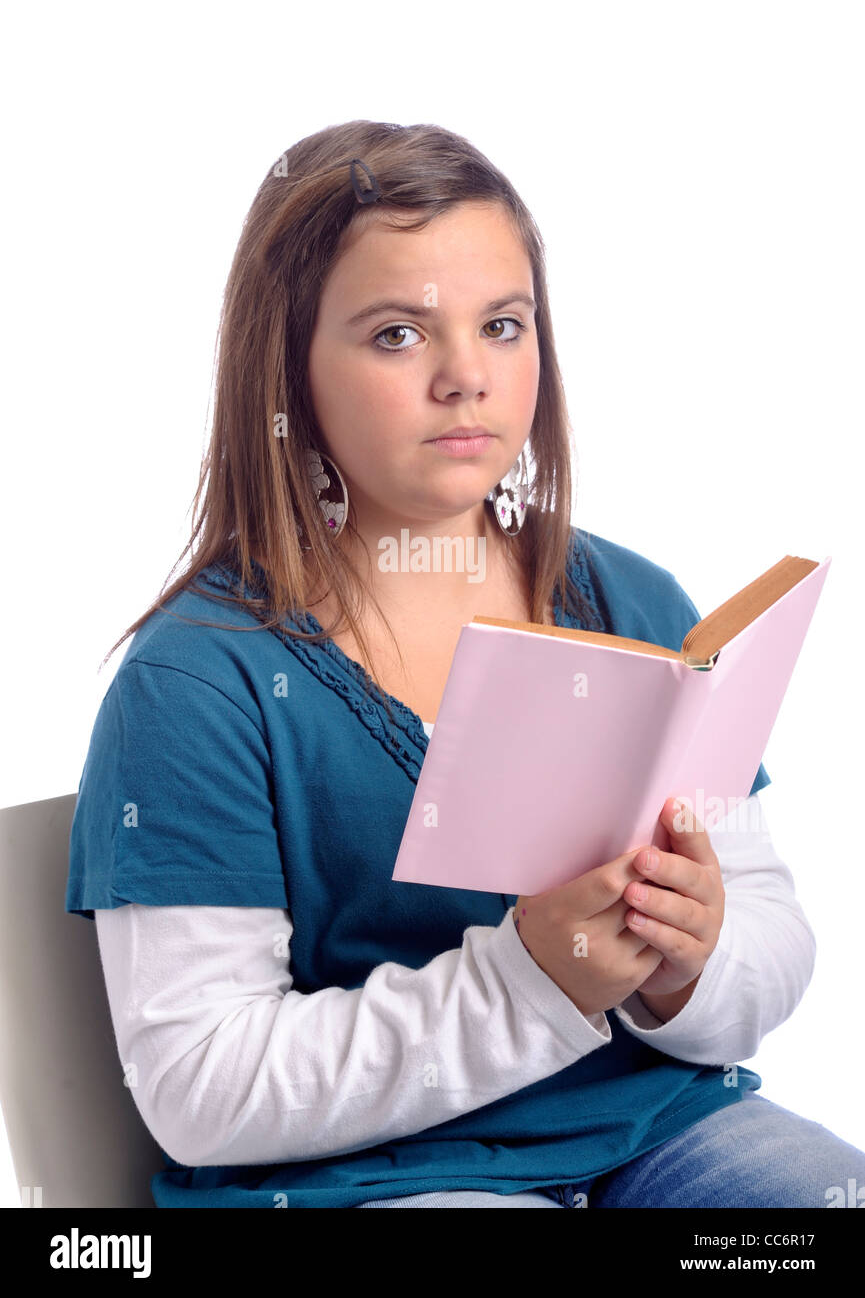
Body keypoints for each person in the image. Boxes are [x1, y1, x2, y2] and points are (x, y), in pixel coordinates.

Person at [66, 121, 865, 1208]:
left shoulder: (633, 604)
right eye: (398, 334)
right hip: (372, 1182)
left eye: (501, 325)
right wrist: (529, 981)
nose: (465, 378)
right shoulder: (198, 687)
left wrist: (692, 965)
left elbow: (771, 932)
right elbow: (203, 1084)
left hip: (656, 1126)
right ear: (289, 371)